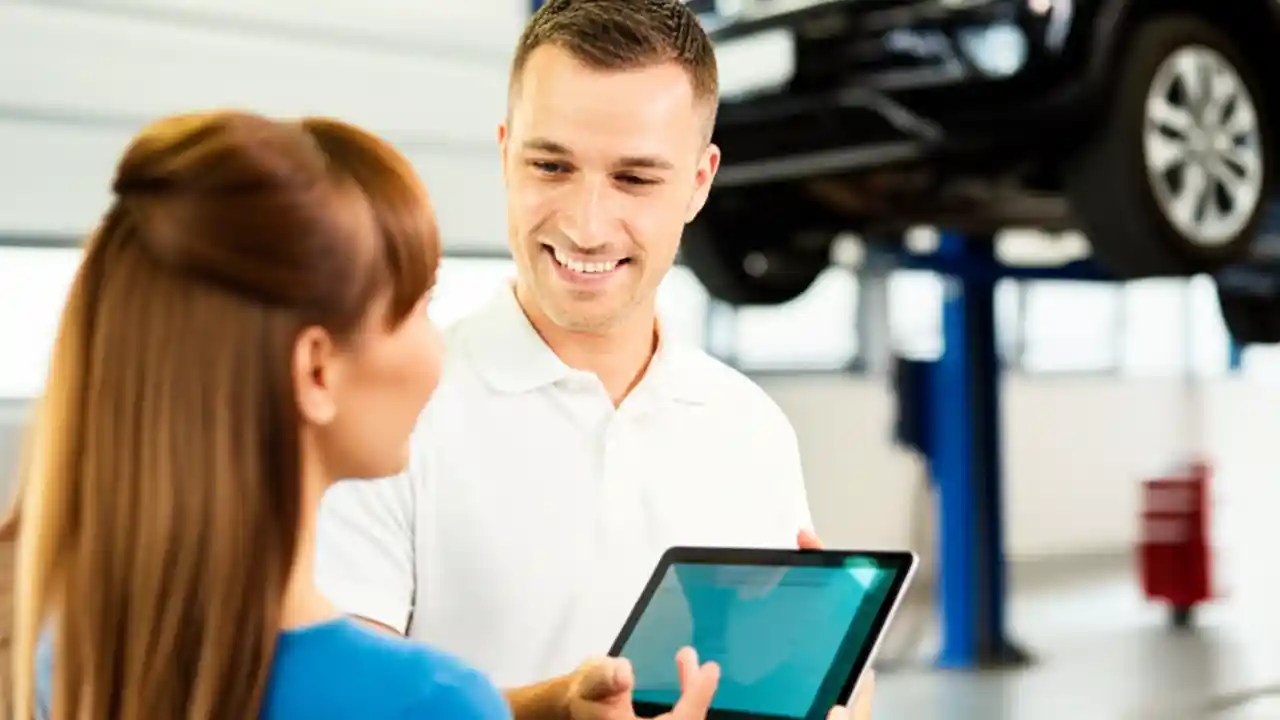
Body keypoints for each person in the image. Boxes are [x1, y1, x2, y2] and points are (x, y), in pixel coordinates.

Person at [9, 110, 724, 719]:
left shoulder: (67, 659)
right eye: (415, 306)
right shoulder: (428, 700)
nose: (436, 351)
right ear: (317, 371)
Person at [314, 1, 876, 719]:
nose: (585, 224)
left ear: (700, 183)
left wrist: (830, 691)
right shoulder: (388, 413)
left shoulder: (751, 429)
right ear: (504, 153)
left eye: (635, 179)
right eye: (551, 165)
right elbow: (346, 707)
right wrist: (552, 711)